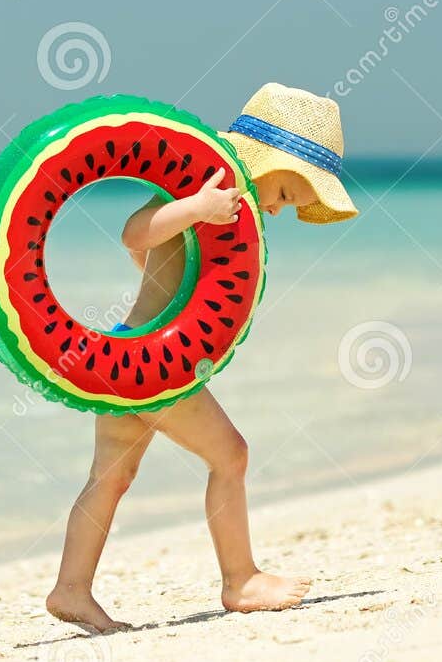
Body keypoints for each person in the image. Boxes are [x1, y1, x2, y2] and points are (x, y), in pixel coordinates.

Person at [46, 83, 358, 633]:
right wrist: (196, 209)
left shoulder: (225, 209)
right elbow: (133, 232)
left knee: (110, 477)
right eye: (284, 191)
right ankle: (240, 580)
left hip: (128, 349)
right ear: (266, 161)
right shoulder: (201, 185)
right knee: (231, 456)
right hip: (152, 366)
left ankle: (71, 589)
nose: (280, 210)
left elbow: (145, 252)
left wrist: (167, 275)